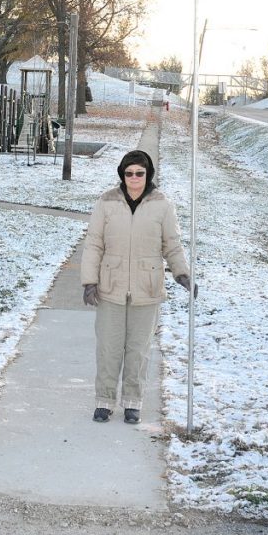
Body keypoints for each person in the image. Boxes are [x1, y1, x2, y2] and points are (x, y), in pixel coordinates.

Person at [80, 149, 197, 425]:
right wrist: (89, 281)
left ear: (148, 175)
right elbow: (94, 243)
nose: (134, 178)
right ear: (122, 174)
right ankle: (104, 401)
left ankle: (133, 403)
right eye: (129, 172)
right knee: (108, 348)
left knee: (138, 350)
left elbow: (172, 244)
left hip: (147, 288)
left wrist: (182, 273)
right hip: (111, 287)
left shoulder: (162, 205)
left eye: (139, 173)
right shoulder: (107, 202)